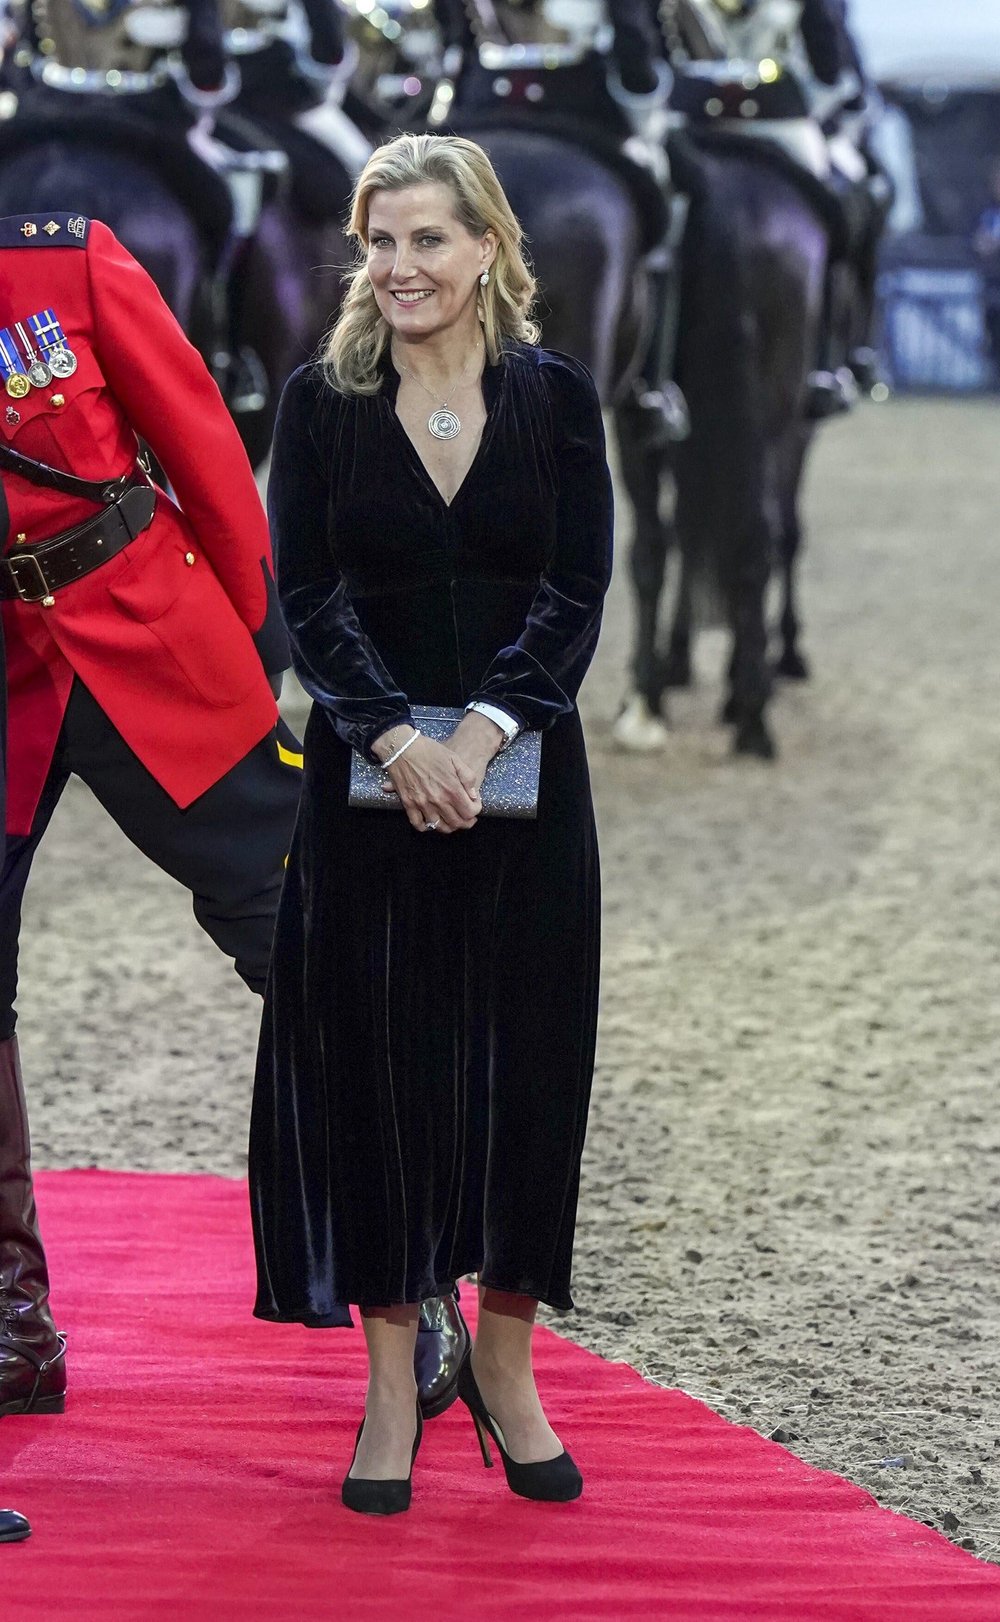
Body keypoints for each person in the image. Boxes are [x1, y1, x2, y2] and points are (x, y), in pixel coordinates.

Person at [0, 211, 472, 1423]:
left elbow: (202, 440)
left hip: (142, 628)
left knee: (307, 936)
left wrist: (263, 631)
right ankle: (12, 1321)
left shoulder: (63, 257)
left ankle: (411, 1280)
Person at [250, 131, 613, 1516]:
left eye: (427, 241)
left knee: (529, 1072)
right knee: (381, 1081)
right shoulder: (323, 400)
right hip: (365, 783)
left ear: (488, 252)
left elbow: (574, 588)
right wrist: (400, 736)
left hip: (527, 783)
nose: (399, 267)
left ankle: (509, 1370)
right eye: (380, 241)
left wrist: (481, 733)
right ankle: (394, 1385)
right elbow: (312, 594)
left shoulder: (557, 398)